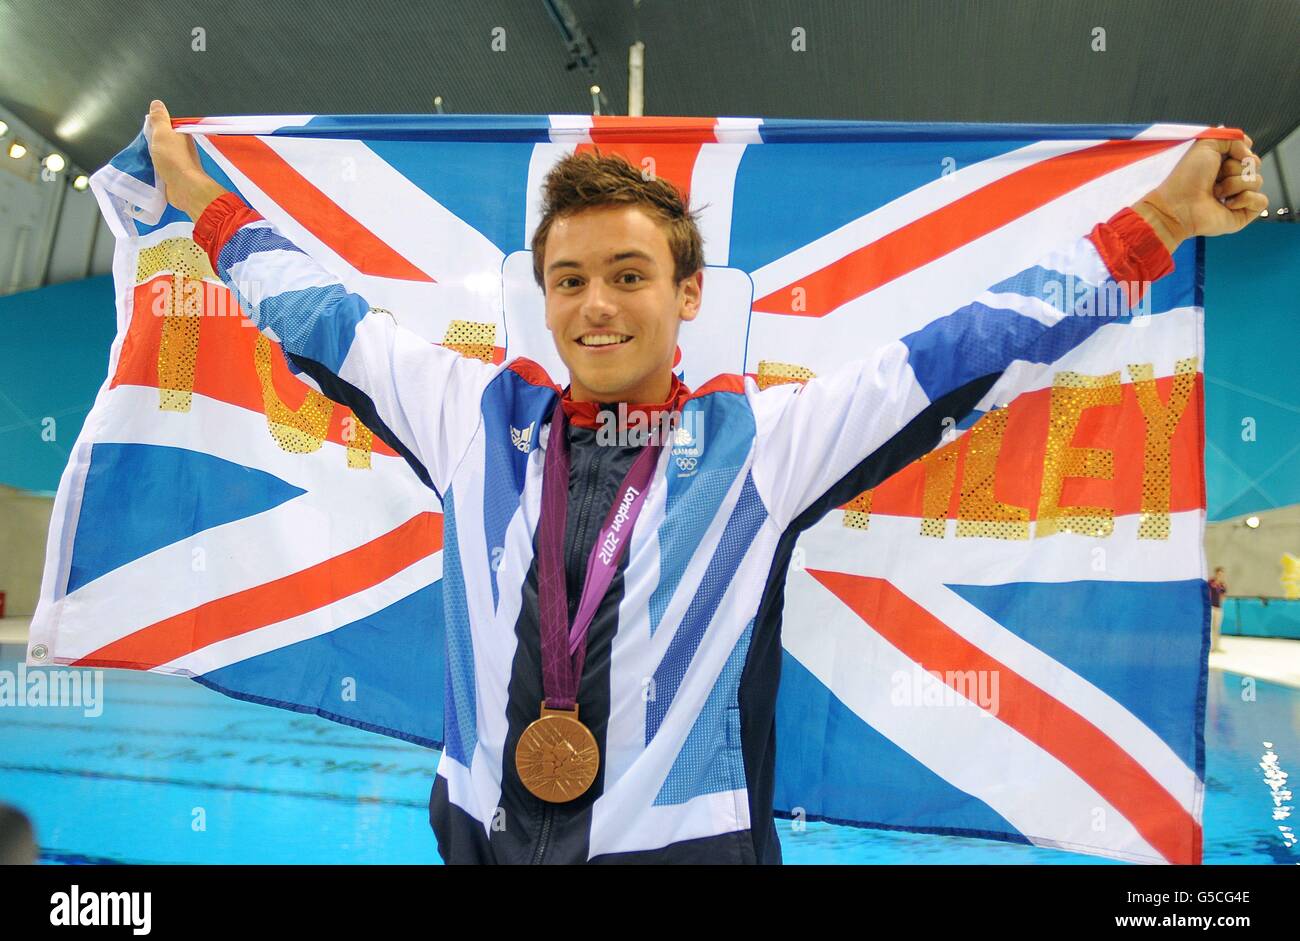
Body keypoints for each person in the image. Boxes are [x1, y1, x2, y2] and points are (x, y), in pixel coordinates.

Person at [145, 100, 1267, 863]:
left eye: (630, 275)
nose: (597, 304)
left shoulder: (762, 447)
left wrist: (1156, 221)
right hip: (478, 838)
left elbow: (962, 346)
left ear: (687, 296)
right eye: (571, 277)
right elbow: (319, 319)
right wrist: (203, 203)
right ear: (543, 297)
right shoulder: (471, 419)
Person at [1209, 566, 1229, 652]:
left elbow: (1223, 596)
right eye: (1219, 574)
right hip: (1211, 607)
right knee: (1210, 627)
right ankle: (1210, 646)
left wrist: (1222, 598)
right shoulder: (1211, 583)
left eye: (1222, 574)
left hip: (1219, 608)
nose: (1220, 576)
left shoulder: (1222, 585)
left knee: (1217, 628)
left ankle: (1216, 646)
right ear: (1216, 573)